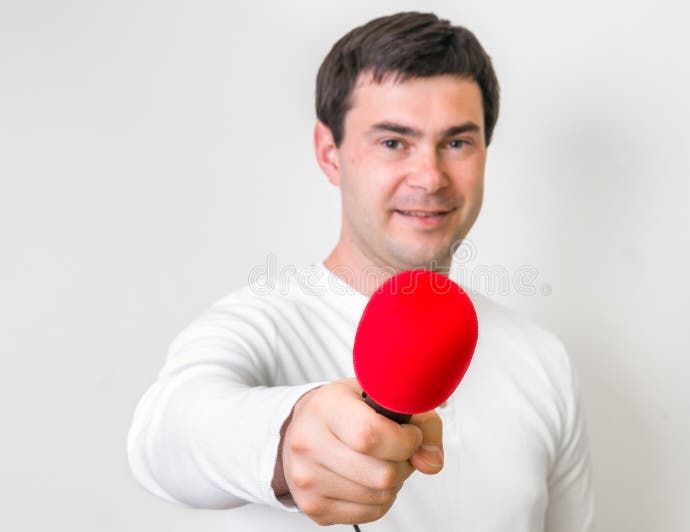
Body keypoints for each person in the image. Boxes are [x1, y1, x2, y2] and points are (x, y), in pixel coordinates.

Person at [127, 11, 594, 532]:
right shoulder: (260, 323)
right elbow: (163, 434)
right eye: (394, 142)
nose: (430, 176)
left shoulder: (542, 362)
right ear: (330, 154)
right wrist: (290, 437)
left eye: (457, 142)